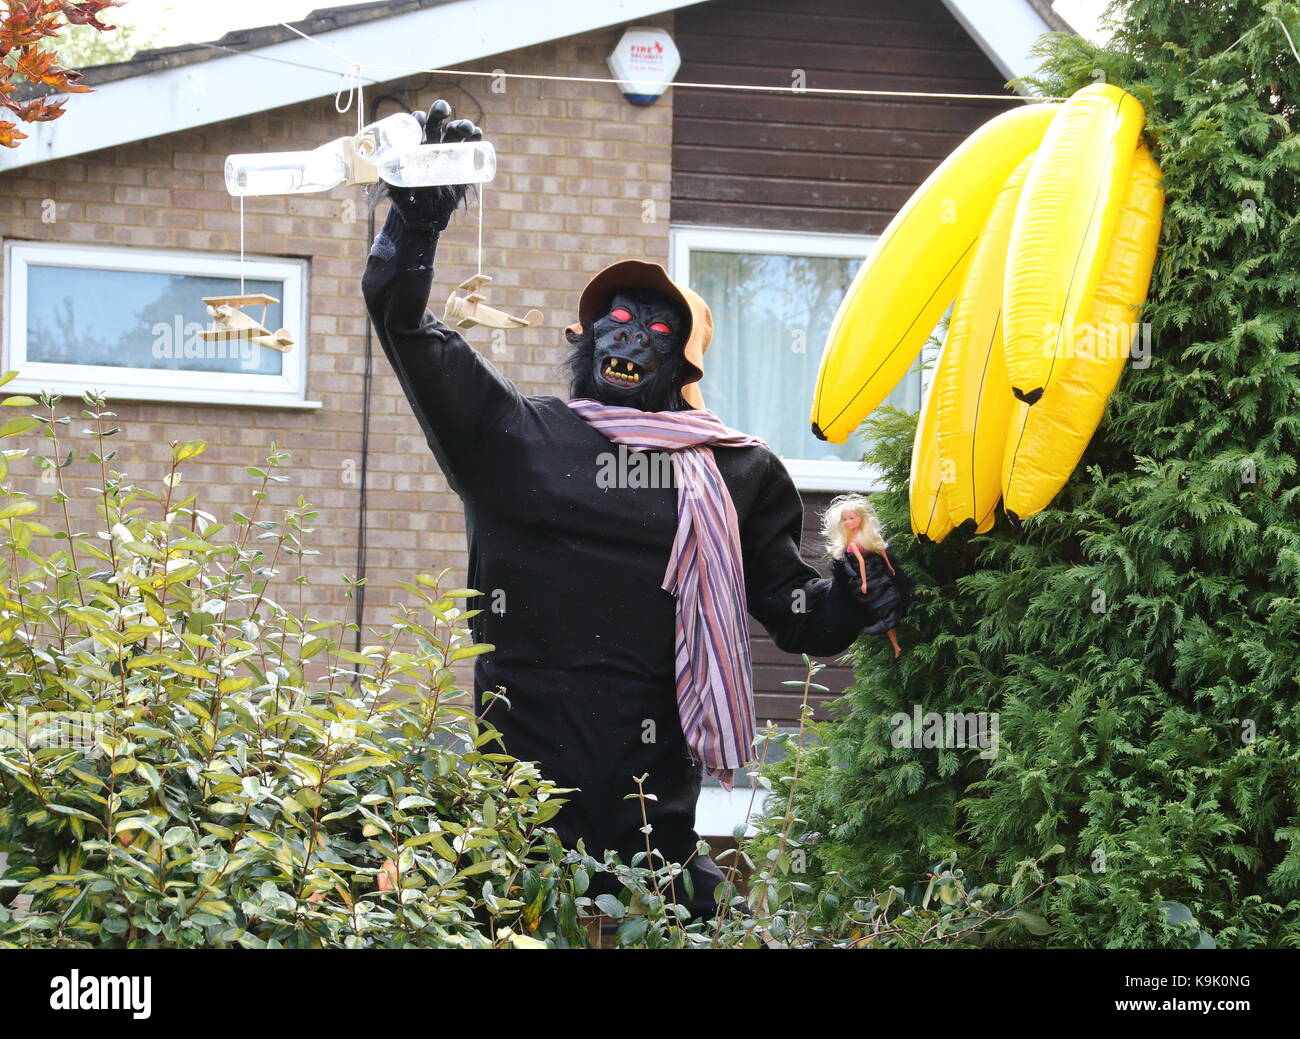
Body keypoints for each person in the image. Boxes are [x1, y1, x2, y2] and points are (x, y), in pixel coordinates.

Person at [361, 100, 879, 919]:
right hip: (516, 833)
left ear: (684, 358)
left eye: (656, 326)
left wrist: (854, 595)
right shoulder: (510, 435)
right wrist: (415, 223)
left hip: (653, 835)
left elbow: (797, 615)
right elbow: (400, 319)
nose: (629, 336)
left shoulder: (735, 473)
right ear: (587, 335)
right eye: (617, 318)